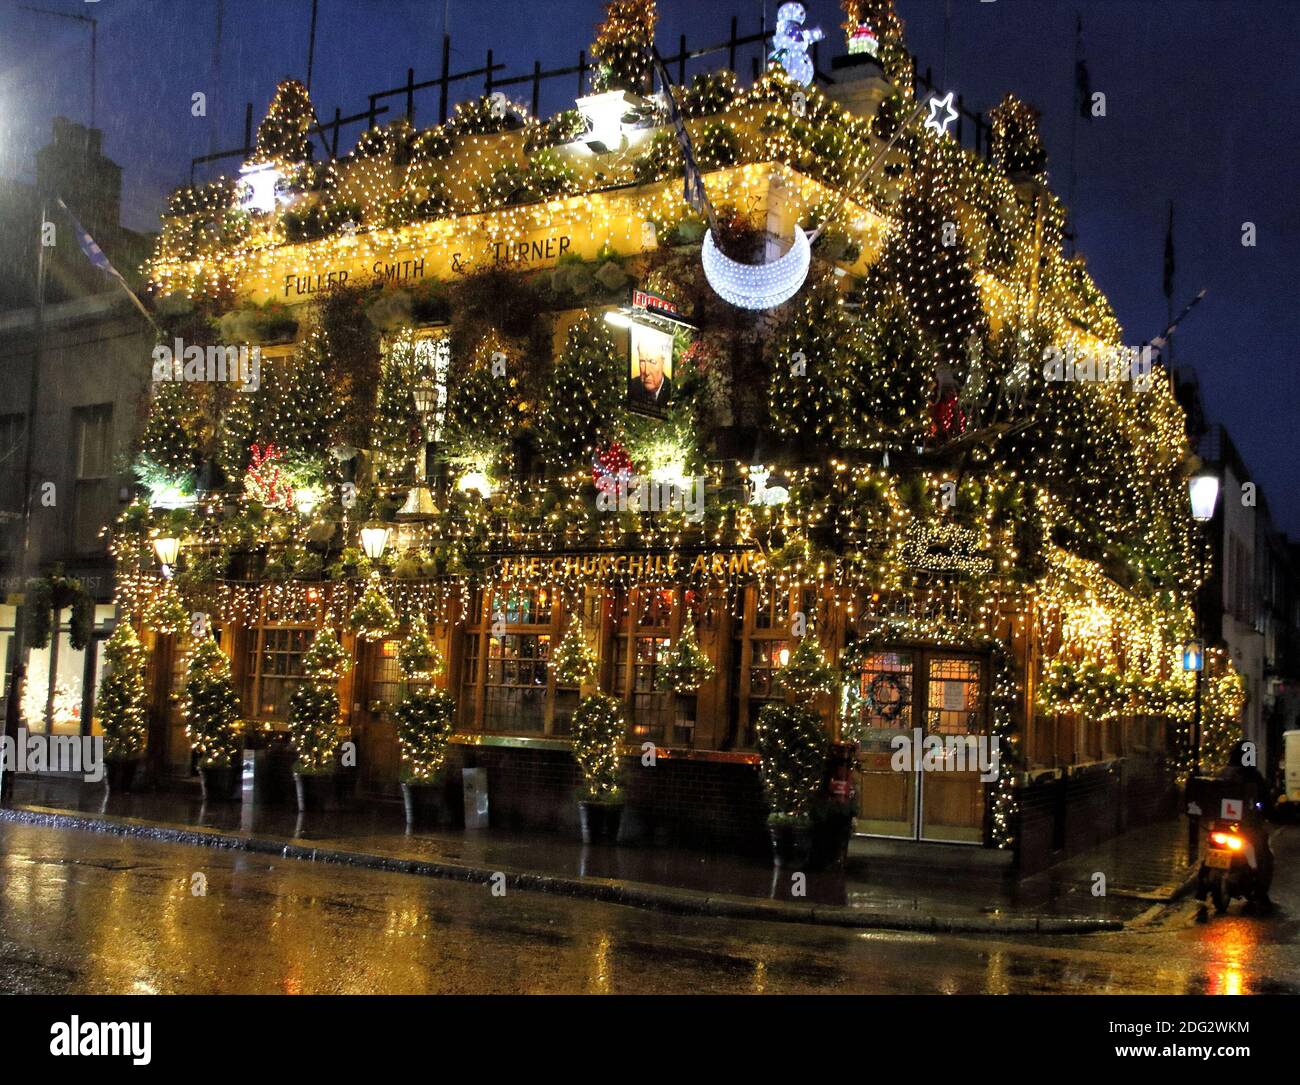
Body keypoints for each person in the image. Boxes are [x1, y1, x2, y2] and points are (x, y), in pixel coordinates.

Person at [1216, 740, 1274, 905]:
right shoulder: (1253, 776)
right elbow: (1265, 801)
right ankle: (1261, 892)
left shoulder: (1222, 773)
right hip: (1246, 827)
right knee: (1263, 854)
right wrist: (1271, 813)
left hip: (1222, 825)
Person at [628, 340, 672, 409]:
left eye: (652, 362)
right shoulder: (631, 386)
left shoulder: (673, 393)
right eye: (642, 361)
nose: (646, 371)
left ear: (663, 363)